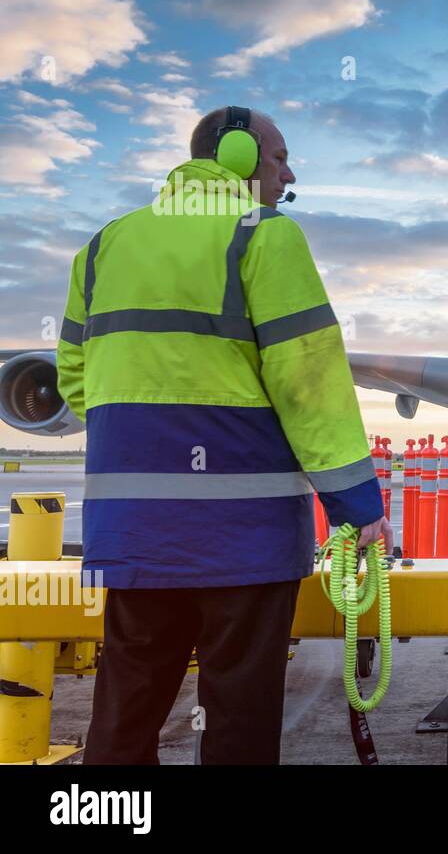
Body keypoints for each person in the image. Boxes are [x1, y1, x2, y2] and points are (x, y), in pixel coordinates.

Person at [56, 105, 390, 764]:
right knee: (239, 721)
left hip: (134, 536)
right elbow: (310, 380)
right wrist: (356, 503)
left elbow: (75, 380)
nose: (288, 173)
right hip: (243, 539)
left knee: (123, 717)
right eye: (279, 157)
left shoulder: (102, 247)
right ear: (237, 154)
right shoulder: (264, 235)